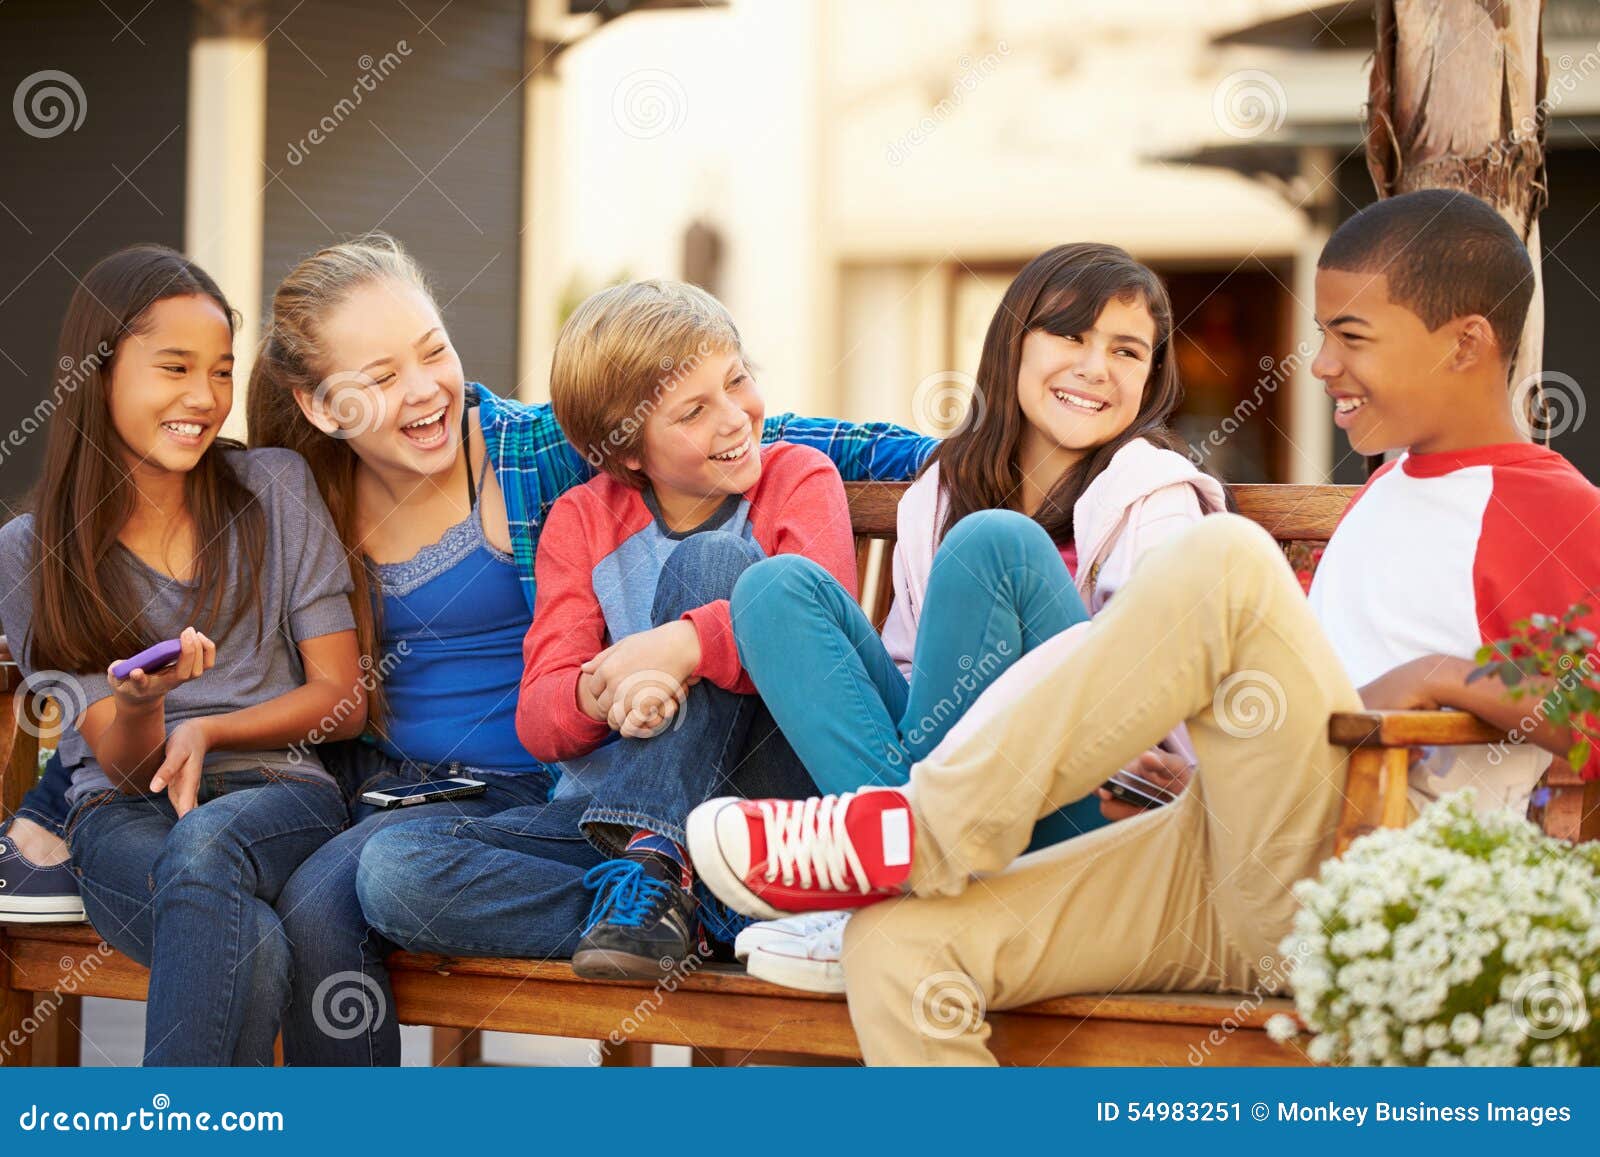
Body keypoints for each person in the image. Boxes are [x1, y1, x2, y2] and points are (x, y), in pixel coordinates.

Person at [686, 189, 1600, 1063]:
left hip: (1355, 869)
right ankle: (896, 856)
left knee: (1230, 559)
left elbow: (1586, 715)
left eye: (1350, 337)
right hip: (1221, 852)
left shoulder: (1545, 506)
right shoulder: (1390, 489)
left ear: (1465, 344)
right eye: (1323, 336)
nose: (1320, 364)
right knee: (898, 945)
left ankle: (913, 833)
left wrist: (1438, 675)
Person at [726, 243, 1226, 992]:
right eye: (1071, 335)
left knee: (996, 545)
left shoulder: (1156, 492)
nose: (1096, 367)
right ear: (1014, 342)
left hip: (1092, 808)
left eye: (1127, 351)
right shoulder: (940, 490)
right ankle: (897, 886)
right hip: (951, 805)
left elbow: (1158, 684)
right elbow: (911, 684)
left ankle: (879, 893)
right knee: (773, 590)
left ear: (1150, 378)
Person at [354, 280, 848, 980]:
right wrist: (604, 691)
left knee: (714, 563)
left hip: (763, 817)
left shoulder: (798, 478)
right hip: (605, 823)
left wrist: (681, 647)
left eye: (738, 380)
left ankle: (660, 876)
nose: (736, 417)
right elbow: (539, 717)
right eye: (695, 410)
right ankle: (686, 914)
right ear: (628, 452)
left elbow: (816, 634)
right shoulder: (583, 521)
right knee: (394, 871)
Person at [0, 245, 363, 1065]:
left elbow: (343, 697)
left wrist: (212, 732)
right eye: (174, 367)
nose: (204, 398)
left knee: (205, 851)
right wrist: (142, 703)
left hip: (281, 791)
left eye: (223, 372)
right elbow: (123, 772)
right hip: (122, 818)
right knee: (255, 944)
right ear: (98, 374)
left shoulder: (275, 486)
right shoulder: (29, 553)